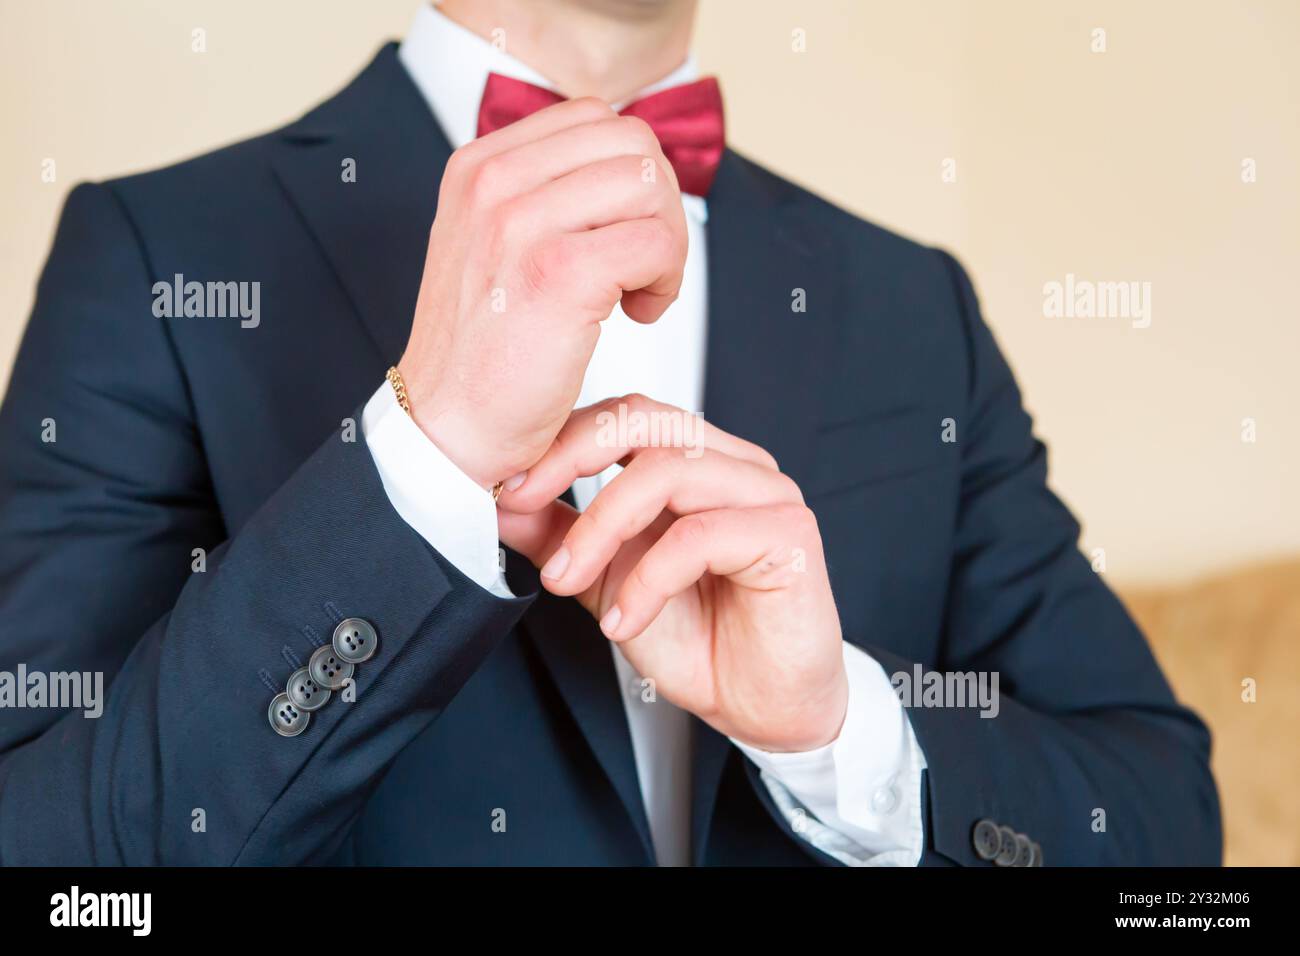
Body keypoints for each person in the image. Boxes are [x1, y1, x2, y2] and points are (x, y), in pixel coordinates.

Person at [0, 0, 1220, 865]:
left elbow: (1163, 819)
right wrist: (422, 465)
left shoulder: (913, 303)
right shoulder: (161, 251)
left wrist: (839, 736)